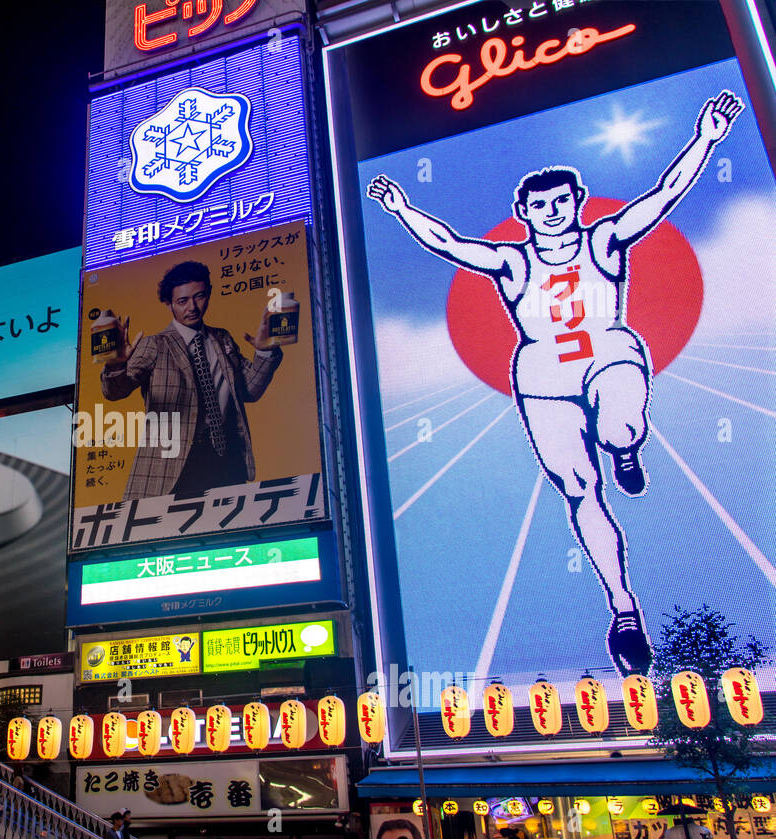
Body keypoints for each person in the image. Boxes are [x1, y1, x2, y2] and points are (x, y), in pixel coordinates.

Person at [366, 91, 744, 676]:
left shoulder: (605, 240)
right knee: (578, 488)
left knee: (620, 426)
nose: (552, 211)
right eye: (539, 204)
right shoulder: (514, 263)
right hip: (543, 377)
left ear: (577, 203)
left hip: (608, 352)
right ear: (525, 212)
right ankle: (623, 609)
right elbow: (451, 244)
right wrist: (401, 208)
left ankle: (626, 448)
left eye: (561, 201)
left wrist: (706, 138)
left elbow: (665, 195)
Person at [100, 260, 287, 500]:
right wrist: (116, 364)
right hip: (175, 464)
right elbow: (116, 391)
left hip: (226, 457)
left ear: (208, 294)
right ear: (169, 304)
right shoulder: (156, 344)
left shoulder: (222, 339)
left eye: (199, 297)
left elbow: (249, 390)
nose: (193, 307)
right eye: (182, 301)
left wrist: (265, 352)